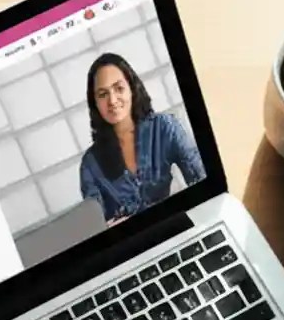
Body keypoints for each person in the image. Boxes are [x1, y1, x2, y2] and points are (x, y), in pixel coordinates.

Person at [79, 53, 206, 225]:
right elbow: (95, 226)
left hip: (173, 225)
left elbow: (201, 180)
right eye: (102, 94)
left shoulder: (165, 128)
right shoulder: (90, 164)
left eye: (119, 88)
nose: (112, 100)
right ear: (95, 103)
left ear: (131, 87)